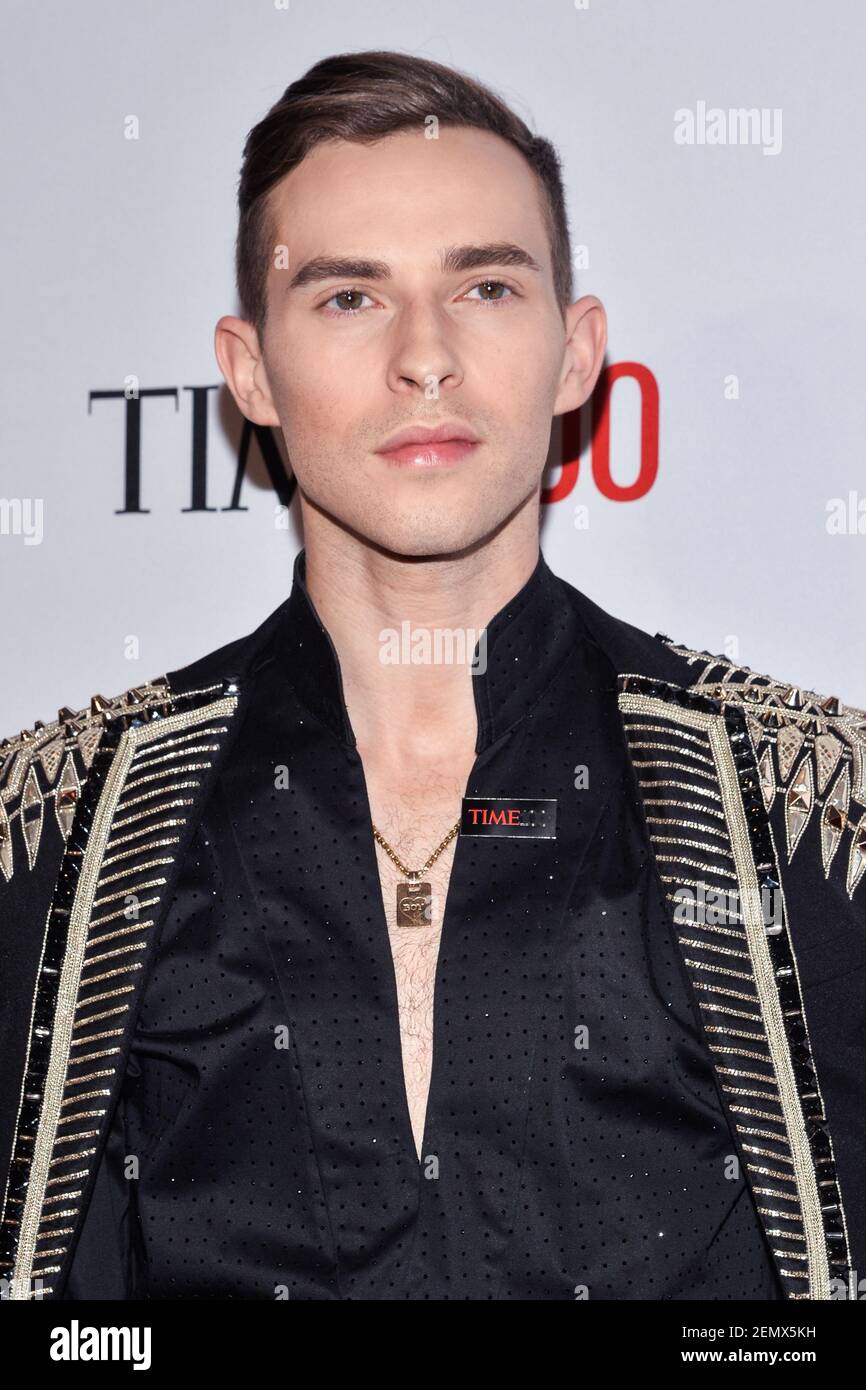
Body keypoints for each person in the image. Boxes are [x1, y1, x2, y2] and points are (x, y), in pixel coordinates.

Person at [2, 50, 864, 1303]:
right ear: (248, 372)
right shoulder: (57, 833)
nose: (424, 358)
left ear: (577, 355)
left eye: (485, 287)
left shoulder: (813, 817)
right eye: (348, 298)